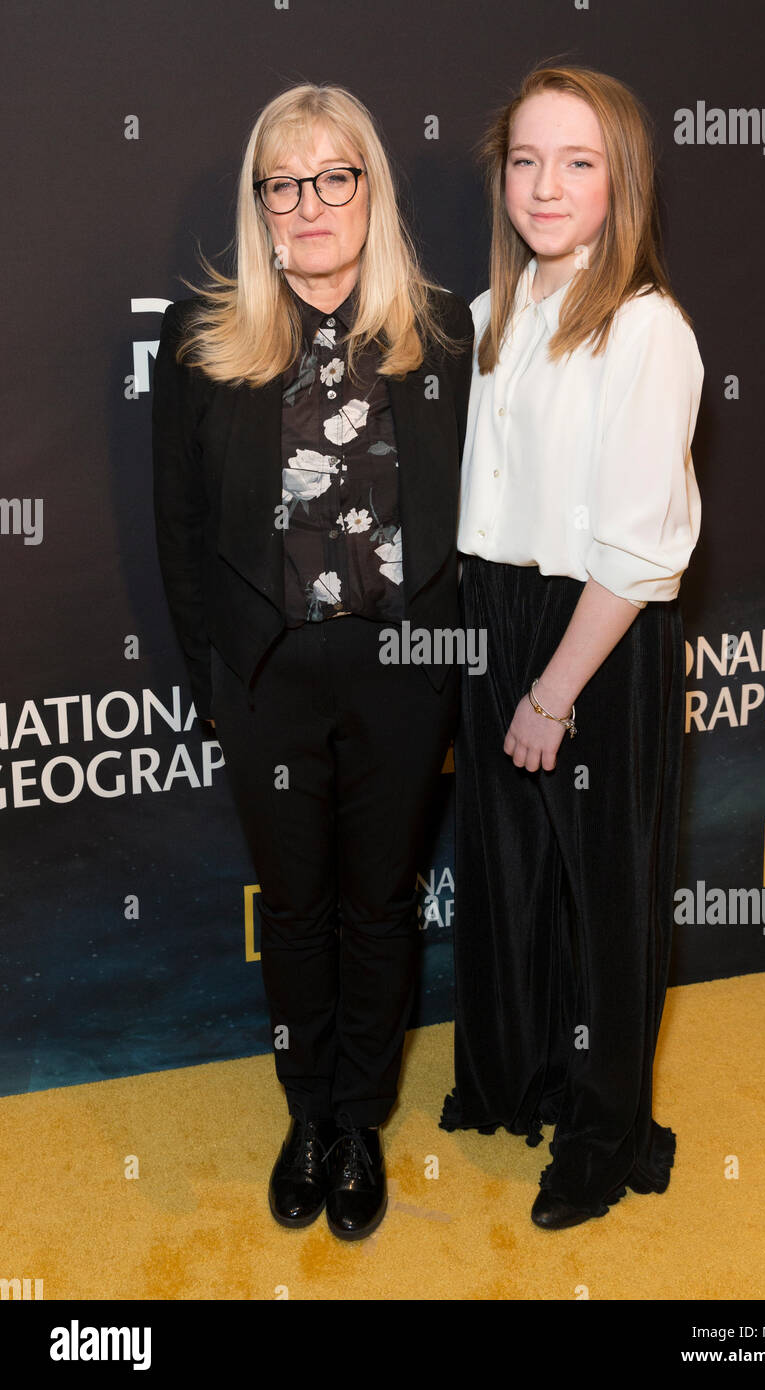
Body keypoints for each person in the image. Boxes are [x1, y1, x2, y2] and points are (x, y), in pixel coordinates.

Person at [152, 83, 473, 1241]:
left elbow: (471, 521)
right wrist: (222, 682)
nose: (309, 202)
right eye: (283, 182)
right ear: (262, 202)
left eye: (333, 175)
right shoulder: (204, 347)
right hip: (268, 679)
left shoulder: (440, 334)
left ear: (368, 187)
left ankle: (361, 1120)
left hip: (399, 676)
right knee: (293, 908)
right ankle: (307, 1120)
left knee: (379, 905)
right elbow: (179, 537)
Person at [440, 65, 704, 1230]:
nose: (544, 186)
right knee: (505, 870)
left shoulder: (647, 333)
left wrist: (549, 695)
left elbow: (638, 554)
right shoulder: (495, 315)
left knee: (604, 896)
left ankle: (602, 1136)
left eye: (577, 161)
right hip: (493, 611)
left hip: (593, 633)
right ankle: (517, 1075)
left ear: (621, 181)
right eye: (525, 160)